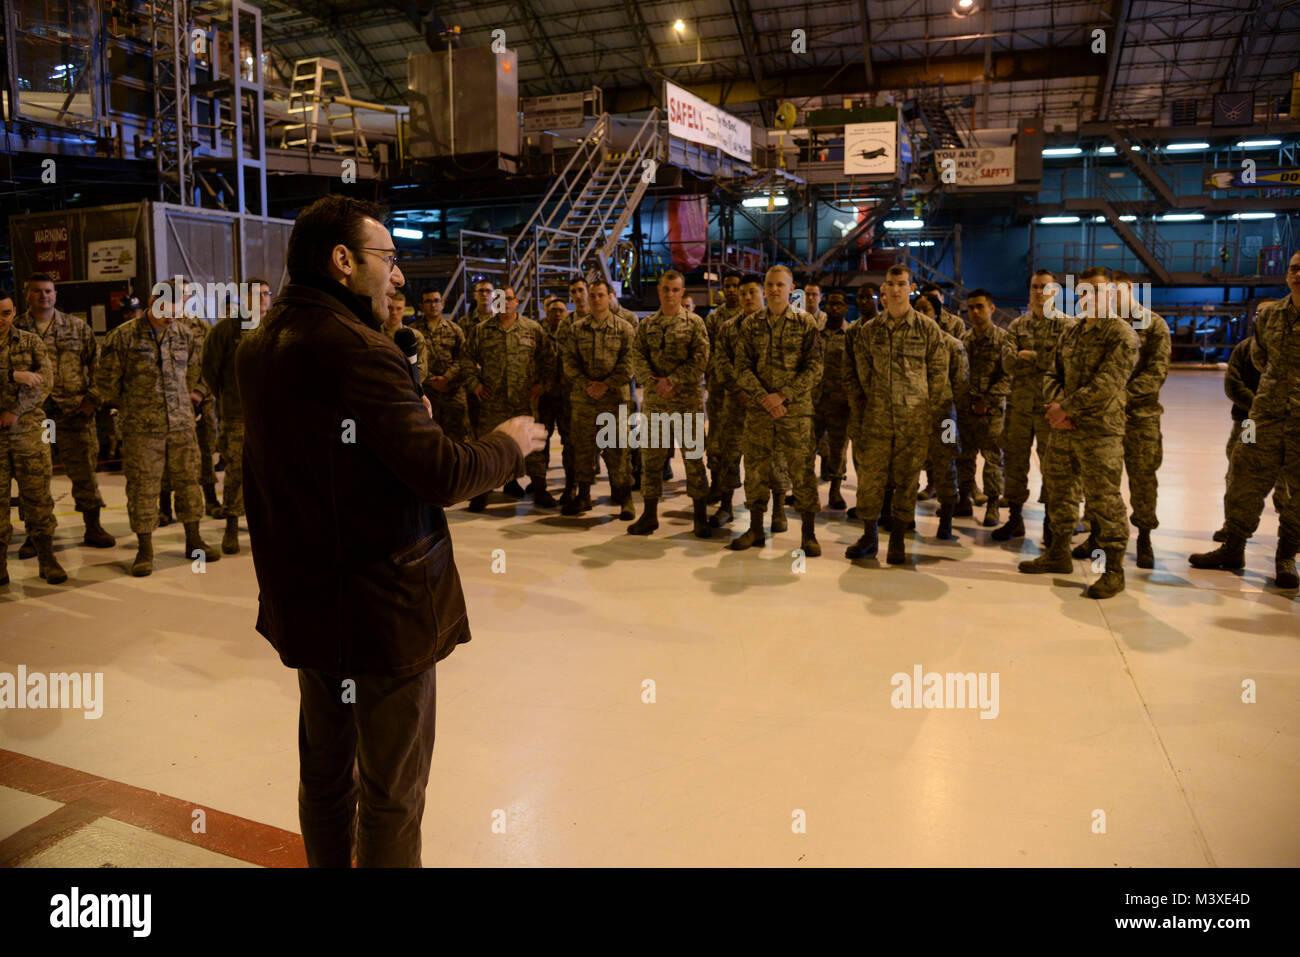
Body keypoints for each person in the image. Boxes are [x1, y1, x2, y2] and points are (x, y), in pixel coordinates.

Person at [235, 194, 545, 867]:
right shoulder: (361, 353)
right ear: (342, 262)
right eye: (388, 258)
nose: (399, 275)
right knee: (391, 791)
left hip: (311, 608)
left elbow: (301, 468)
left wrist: (404, 414)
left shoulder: (259, 347)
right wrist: (507, 443)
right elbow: (441, 473)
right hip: (383, 612)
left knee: (324, 775)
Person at [1018, 266, 1138, 599]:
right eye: (1083, 292)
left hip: (1100, 433)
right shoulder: (1071, 333)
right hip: (1064, 430)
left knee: (1104, 501)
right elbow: (1051, 375)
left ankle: (1113, 570)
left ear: (1111, 294)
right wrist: (1058, 408)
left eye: (1097, 291)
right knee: (1059, 490)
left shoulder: (1122, 335)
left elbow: (1107, 384)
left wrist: (1065, 409)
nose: (1090, 298)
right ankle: (1058, 553)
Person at [93, 282, 222, 576]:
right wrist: (135, 404)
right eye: (166, 312)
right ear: (153, 302)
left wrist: (190, 397)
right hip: (141, 429)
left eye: (176, 315)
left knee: (189, 483)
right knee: (142, 488)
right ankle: (145, 549)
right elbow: (106, 383)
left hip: (181, 425)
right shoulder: (122, 337)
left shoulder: (185, 335)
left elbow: (197, 371)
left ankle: (194, 539)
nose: (170, 320)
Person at [1190, 251, 1300, 589]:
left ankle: (1285, 558)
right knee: (1241, 476)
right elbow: (1258, 360)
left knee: (1297, 496)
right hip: (1258, 421)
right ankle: (1233, 547)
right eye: (1294, 268)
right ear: (1286, 275)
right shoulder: (1269, 320)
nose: (1299, 274)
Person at [843, 264, 948, 564]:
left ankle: (899, 539)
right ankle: (869, 536)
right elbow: (860, 372)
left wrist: (929, 411)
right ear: (884, 290)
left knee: (906, 481)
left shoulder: (928, 329)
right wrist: (865, 405)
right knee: (870, 480)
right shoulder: (869, 330)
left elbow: (939, 374)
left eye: (902, 283)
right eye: (891, 284)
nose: (897, 289)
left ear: (910, 287)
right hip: (876, 418)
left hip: (913, 421)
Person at [16, 273, 115, 551]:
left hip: (73, 414)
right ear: (27, 295)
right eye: (37, 291)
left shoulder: (76, 327)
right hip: (34, 417)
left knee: (83, 471)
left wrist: (92, 401)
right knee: (34, 476)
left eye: (48, 291)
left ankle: (92, 527)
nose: (43, 296)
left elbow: (99, 367)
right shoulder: (16, 330)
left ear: (56, 295)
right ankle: (35, 534)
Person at [729, 265, 823, 555]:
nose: (774, 290)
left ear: (791, 288)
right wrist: (763, 398)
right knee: (755, 469)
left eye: (780, 285)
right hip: (760, 412)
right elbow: (742, 368)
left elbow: (816, 367)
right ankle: (756, 528)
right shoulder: (750, 324)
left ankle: (808, 533)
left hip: (794, 412)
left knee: (802, 471)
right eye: (769, 285)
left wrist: (782, 396)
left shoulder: (806, 324)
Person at [628, 270, 709, 536]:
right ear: (659, 290)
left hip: (687, 403)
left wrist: (672, 380)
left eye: (675, 290)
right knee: (651, 460)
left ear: (682, 292)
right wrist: (654, 384)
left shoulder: (695, 323)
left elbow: (700, 359)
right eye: (665, 289)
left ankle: (700, 517)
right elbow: (637, 356)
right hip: (655, 403)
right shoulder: (647, 325)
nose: (670, 294)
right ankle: (649, 515)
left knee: (693, 460)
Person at [462, 286, 555, 509]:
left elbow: (549, 360)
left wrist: (542, 385)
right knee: (488, 446)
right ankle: (482, 492)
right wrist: (475, 384)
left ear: (517, 302)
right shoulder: (481, 331)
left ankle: (540, 489)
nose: (504, 303)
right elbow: (465, 359)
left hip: (524, 401)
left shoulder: (532, 329)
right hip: (492, 402)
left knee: (533, 447)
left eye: (509, 299)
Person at [995, 269, 1069, 543]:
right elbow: (1008, 363)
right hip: (1018, 409)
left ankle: (1051, 523)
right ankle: (1015, 520)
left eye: (1045, 287)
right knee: (1014, 464)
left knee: (1053, 466)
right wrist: (1040, 358)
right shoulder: (1017, 326)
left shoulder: (1066, 327)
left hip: (1051, 409)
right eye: (1035, 287)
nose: (1039, 292)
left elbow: (1062, 365)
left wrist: (1029, 355)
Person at [0, 288, 64, 584]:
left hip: (26, 431)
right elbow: (25, 380)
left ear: (13, 313)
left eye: (6, 313)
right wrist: (13, 375)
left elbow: (46, 382)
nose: (2, 320)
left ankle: (47, 559)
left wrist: (15, 409)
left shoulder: (29, 342)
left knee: (38, 498)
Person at [200, 279, 268, 554]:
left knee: (269, 474)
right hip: (237, 415)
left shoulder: (275, 327)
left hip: (270, 418)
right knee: (237, 473)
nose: (264, 299)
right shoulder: (226, 330)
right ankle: (231, 524)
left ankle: (265, 526)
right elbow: (210, 371)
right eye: (258, 294)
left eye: (267, 294)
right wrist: (229, 397)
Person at [561, 279, 636, 518]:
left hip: (614, 399)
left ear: (610, 296)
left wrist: (606, 385)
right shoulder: (576, 329)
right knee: (582, 448)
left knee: (618, 449)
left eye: (600, 295)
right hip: (584, 400)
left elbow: (629, 363)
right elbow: (569, 361)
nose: (595, 300)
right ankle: (583, 496)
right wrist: (587, 384)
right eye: (592, 295)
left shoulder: (624, 328)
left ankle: (625, 497)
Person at [1211, 325, 1289, 542]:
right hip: (1249, 424)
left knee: (1286, 481)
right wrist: (1261, 408)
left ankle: (1290, 536)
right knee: (1239, 471)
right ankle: (1232, 528)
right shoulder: (1245, 348)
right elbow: (1233, 384)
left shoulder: (1288, 347)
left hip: (1285, 425)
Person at [709, 279, 763, 529]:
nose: (747, 297)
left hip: (764, 405)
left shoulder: (773, 325)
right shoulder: (729, 327)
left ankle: (764, 514)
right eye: (744, 293)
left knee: (764, 460)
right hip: (734, 402)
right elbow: (721, 361)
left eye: (752, 292)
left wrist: (760, 394)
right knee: (729, 455)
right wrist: (739, 389)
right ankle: (726, 506)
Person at [957, 288, 1009, 528]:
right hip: (967, 411)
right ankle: (964, 499)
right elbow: (959, 376)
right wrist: (967, 401)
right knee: (964, 457)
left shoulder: (1003, 340)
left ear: (991, 308)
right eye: (971, 308)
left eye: (980, 307)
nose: (975, 312)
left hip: (992, 412)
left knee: (992, 460)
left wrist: (987, 401)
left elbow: (1008, 376)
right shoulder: (964, 341)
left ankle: (992, 505)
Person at [410, 287, 471, 444]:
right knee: (428, 438)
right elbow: (411, 361)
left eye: (436, 301)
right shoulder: (414, 332)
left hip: (453, 393)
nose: (433, 305)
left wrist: (446, 378)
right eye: (428, 301)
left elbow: (464, 359)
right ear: (421, 305)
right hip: (426, 394)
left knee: (458, 439)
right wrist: (431, 380)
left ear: (443, 304)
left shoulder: (455, 329)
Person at [704, 274, 746, 503]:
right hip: (719, 392)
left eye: (735, 286)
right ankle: (716, 484)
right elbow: (708, 352)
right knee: (716, 441)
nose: (731, 290)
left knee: (737, 445)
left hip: (745, 394)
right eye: (727, 286)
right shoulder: (715, 318)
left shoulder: (750, 316)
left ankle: (732, 492)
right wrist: (718, 374)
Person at [813, 290, 852, 511]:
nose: (834, 308)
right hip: (816, 401)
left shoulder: (852, 335)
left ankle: (835, 491)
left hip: (840, 404)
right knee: (808, 448)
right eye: (830, 304)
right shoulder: (815, 333)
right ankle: (806, 489)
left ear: (846, 307)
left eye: (839, 304)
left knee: (838, 450)